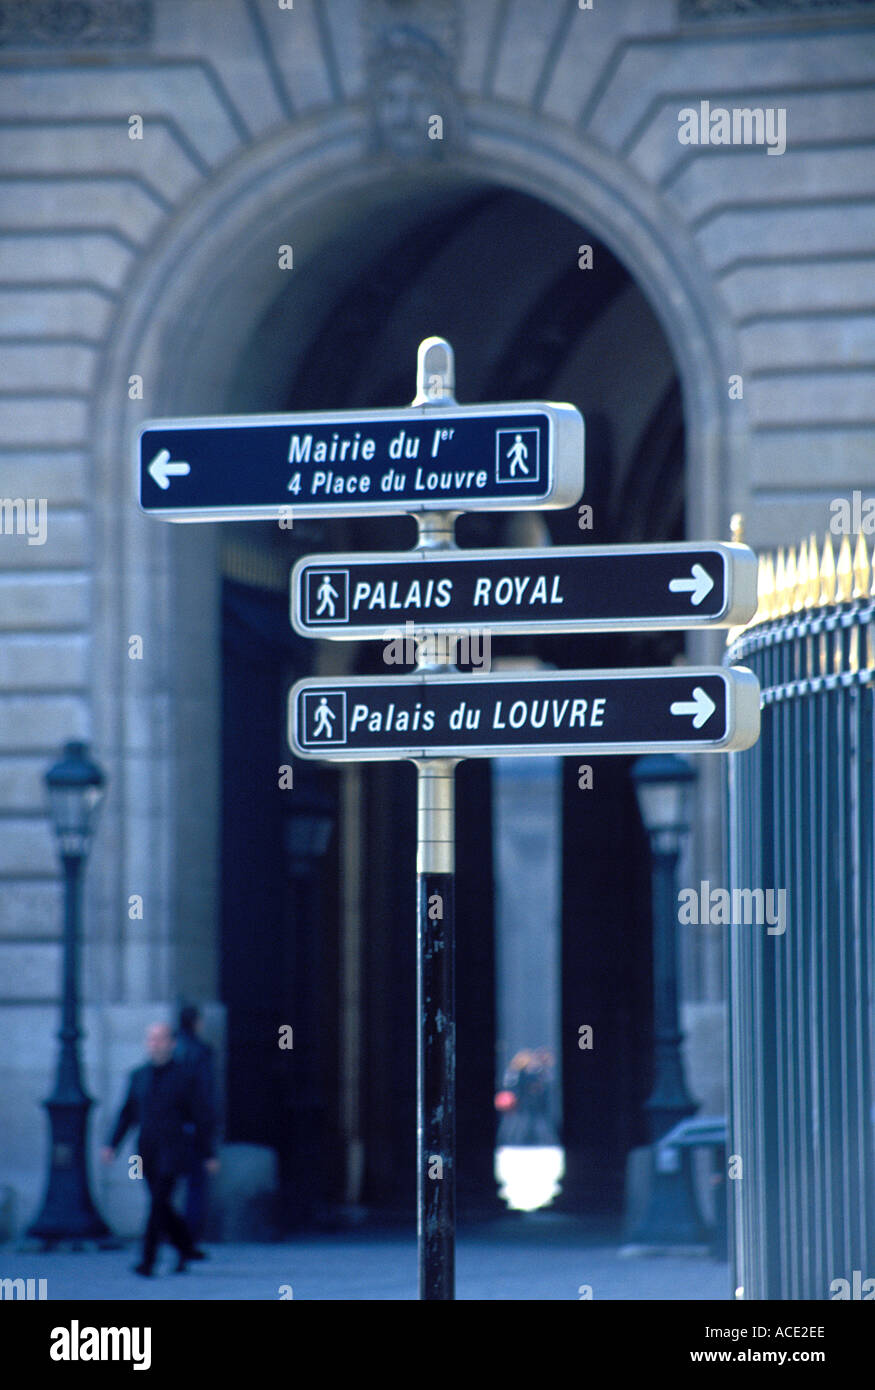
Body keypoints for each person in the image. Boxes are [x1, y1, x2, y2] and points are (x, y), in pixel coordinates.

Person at [102, 1021, 217, 1276]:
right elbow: (127, 1113)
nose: (154, 1044)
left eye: (160, 1039)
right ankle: (185, 1246)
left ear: (171, 1043)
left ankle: (148, 1259)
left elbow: (200, 1117)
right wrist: (112, 1145)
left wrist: (207, 1153)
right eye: (151, 1039)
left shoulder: (186, 1077)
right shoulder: (138, 1076)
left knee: (157, 1203)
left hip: (174, 1149)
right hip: (146, 1150)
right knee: (161, 1204)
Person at [173, 1003, 218, 1251]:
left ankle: (168, 1231)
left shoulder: (174, 1050)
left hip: (170, 1129)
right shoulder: (201, 1053)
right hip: (192, 1128)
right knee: (196, 1185)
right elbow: (205, 1096)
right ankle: (188, 1237)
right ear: (196, 1022)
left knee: (167, 1187)